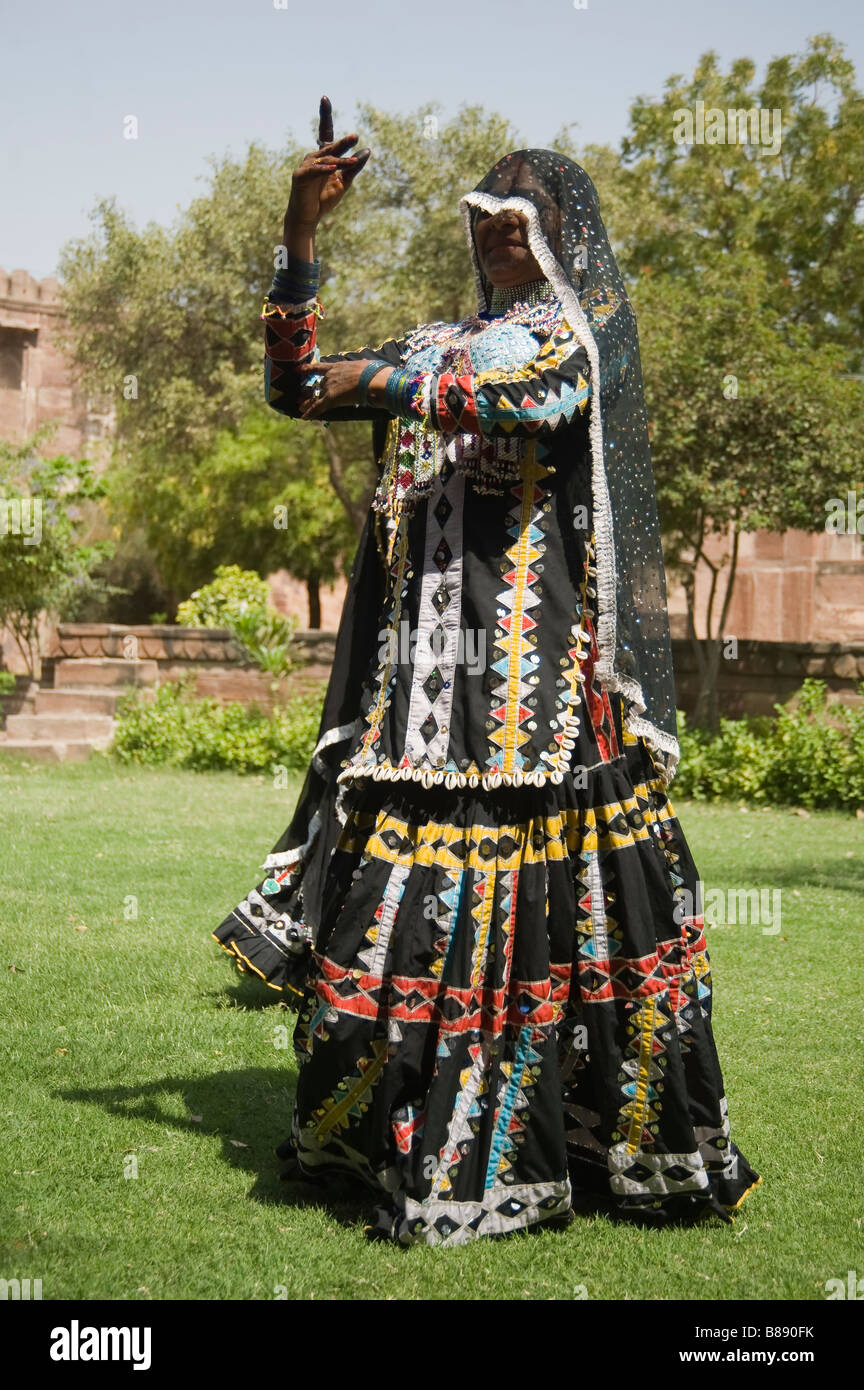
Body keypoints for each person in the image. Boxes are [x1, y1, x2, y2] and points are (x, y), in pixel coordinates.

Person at [213, 97, 761, 1247]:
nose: (500, 231)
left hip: (541, 707)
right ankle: (387, 1136)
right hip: (425, 700)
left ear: (562, 236)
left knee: (582, 929)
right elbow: (296, 383)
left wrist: (406, 373)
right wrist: (300, 233)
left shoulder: (570, 348)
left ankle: (588, 1142)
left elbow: (509, 395)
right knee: (400, 922)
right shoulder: (435, 344)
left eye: (524, 218)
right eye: (487, 217)